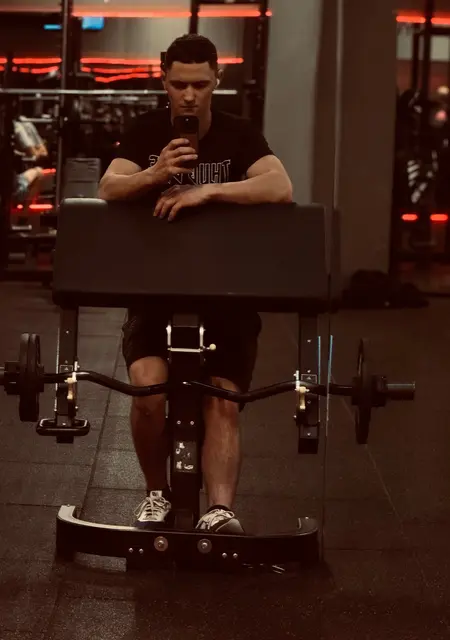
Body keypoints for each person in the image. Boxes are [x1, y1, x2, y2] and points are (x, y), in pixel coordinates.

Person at [98, 34, 293, 534]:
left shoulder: (239, 133)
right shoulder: (145, 131)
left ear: (216, 81)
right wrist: (156, 173)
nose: (189, 95)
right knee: (148, 392)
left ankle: (220, 510)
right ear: (163, 80)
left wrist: (207, 191)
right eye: (179, 84)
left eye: (200, 85)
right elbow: (109, 186)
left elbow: (280, 185)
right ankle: (156, 493)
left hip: (225, 289)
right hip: (156, 288)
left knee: (221, 397)